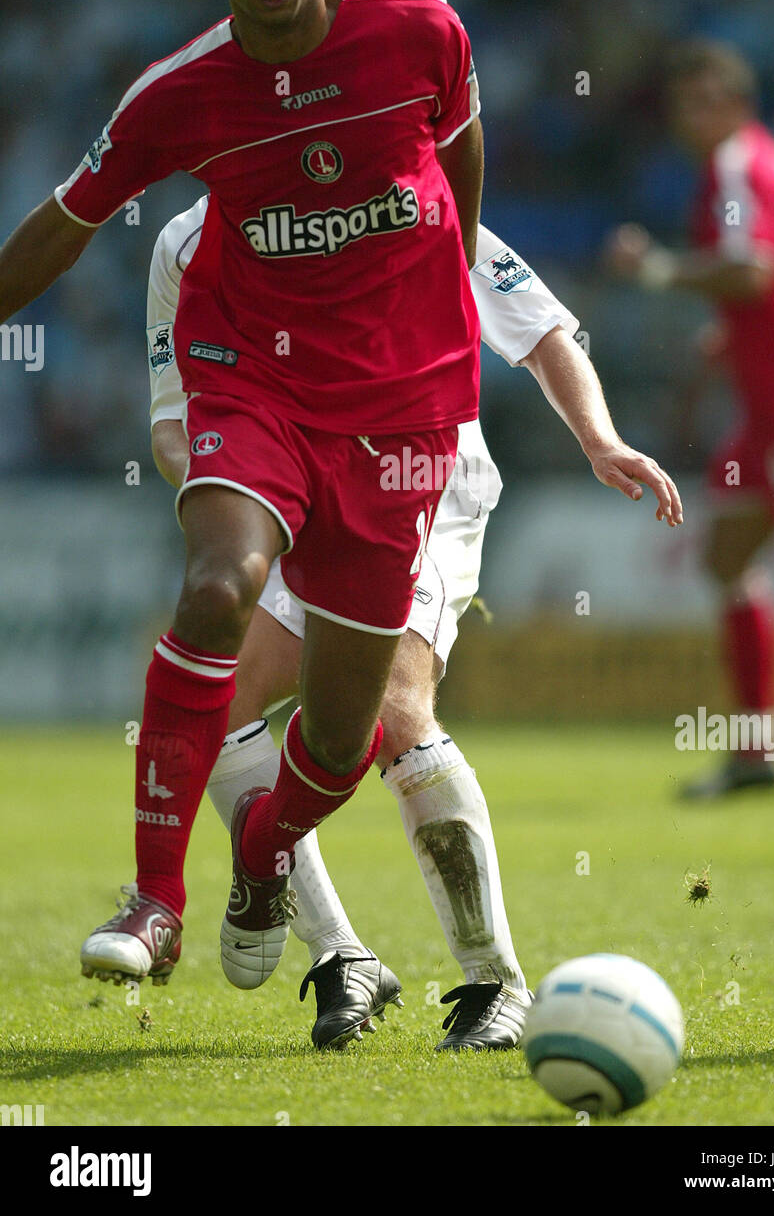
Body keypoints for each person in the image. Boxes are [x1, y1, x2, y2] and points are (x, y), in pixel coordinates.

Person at [0, 0, 489, 983]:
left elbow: (460, 139)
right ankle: (155, 900)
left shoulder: (419, 32)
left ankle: (262, 859)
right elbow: (69, 218)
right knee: (218, 585)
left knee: (338, 739)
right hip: (251, 376)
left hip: (400, 407)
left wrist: (450, 271)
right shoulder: (176, 94)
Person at [146, 198, 684, 1048]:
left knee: (393, 706)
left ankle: (494, 983)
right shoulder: (182, 242)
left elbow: (540, 327)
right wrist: (234, 493)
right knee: (222, 692)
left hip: (418, 464)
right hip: (292, 473)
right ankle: (342, 957)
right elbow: (175, 421)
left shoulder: (397, 189)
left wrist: (599, 439)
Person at [605, 39, 774, 798]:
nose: (686, 120)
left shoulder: (734, 167)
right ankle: (756, 754)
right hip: (772, 404)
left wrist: (655, 266)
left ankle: (757, 752)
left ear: (728, 100)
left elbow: (753, 270)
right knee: (726, 558)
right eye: (679, 104)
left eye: (696, 101)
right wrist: (756, 327)